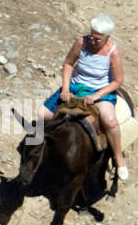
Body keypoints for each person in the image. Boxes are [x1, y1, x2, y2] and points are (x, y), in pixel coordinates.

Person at [39, 14, 129, 181]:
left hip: (100, 91)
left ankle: (119, 158)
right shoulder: (81, 42)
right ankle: (36, 150)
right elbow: (68, 63)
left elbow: (118, 80)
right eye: (91, 36)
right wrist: (65, 88)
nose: (92, 41)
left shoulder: (113, 52)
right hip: (75, 86)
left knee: (110, 121)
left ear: (106, 38)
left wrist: (96, 95)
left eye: (97, 39)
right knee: (42, 114)